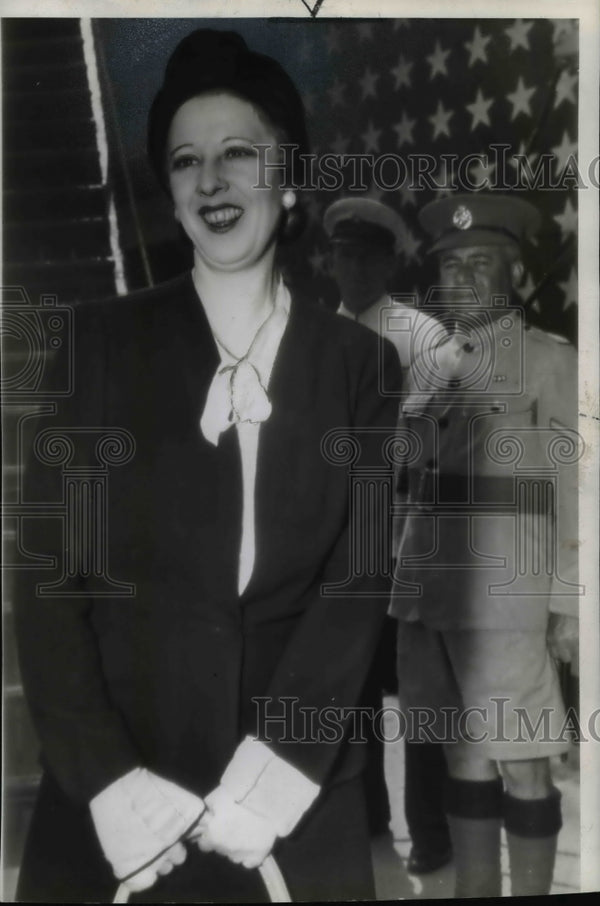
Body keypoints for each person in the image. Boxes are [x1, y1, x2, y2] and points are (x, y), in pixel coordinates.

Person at [13, 29, 402, 903]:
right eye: (187, 162)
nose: (212, 180)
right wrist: (112, 785)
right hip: (122, 807)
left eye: (239, 154)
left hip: (296, 807)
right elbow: (48, 586)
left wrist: (275, 779)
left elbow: (358, 583)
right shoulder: (97, 347)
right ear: (173, 193)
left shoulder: (364, 370)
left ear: (287, 176)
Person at [391, 193, 579, 898]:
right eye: (451, 266)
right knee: (463, 755)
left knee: (524, 763)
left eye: (481, 262)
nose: (463, 280)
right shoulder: (432, 367)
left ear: (515, 274)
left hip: (510, 602)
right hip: (432, 600)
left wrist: (569, 600)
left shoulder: (552, 363)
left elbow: (578, 486)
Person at [324, 196, 451, 855]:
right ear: (330, 261)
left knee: (421, 691)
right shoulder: (309, 340)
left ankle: (429, 835)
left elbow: (429, 444)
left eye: (368, 256)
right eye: (344, 255)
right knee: (352, 688)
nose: (354, 267)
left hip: (407, 538)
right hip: (342, 544)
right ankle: (365, 823)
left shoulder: (421, 336)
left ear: (388, 262)